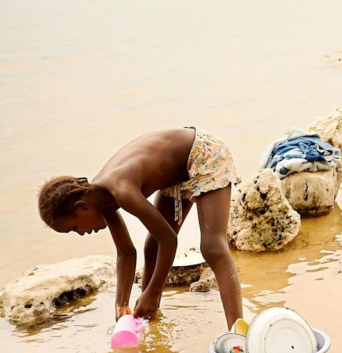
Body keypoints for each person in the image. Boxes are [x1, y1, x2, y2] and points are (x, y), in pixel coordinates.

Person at [37, 127, 243, 328]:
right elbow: (125, 253)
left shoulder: (121, 189)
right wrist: (121, 304)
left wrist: (152, 292)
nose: (82, 233)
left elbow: (169, 240)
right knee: (152, 247)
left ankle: (238, 333)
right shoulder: (101, 200)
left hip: (202, 153)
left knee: (212, 247)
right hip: (175, 172)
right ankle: (146, 318)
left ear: (82, 207)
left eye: (75, 228)